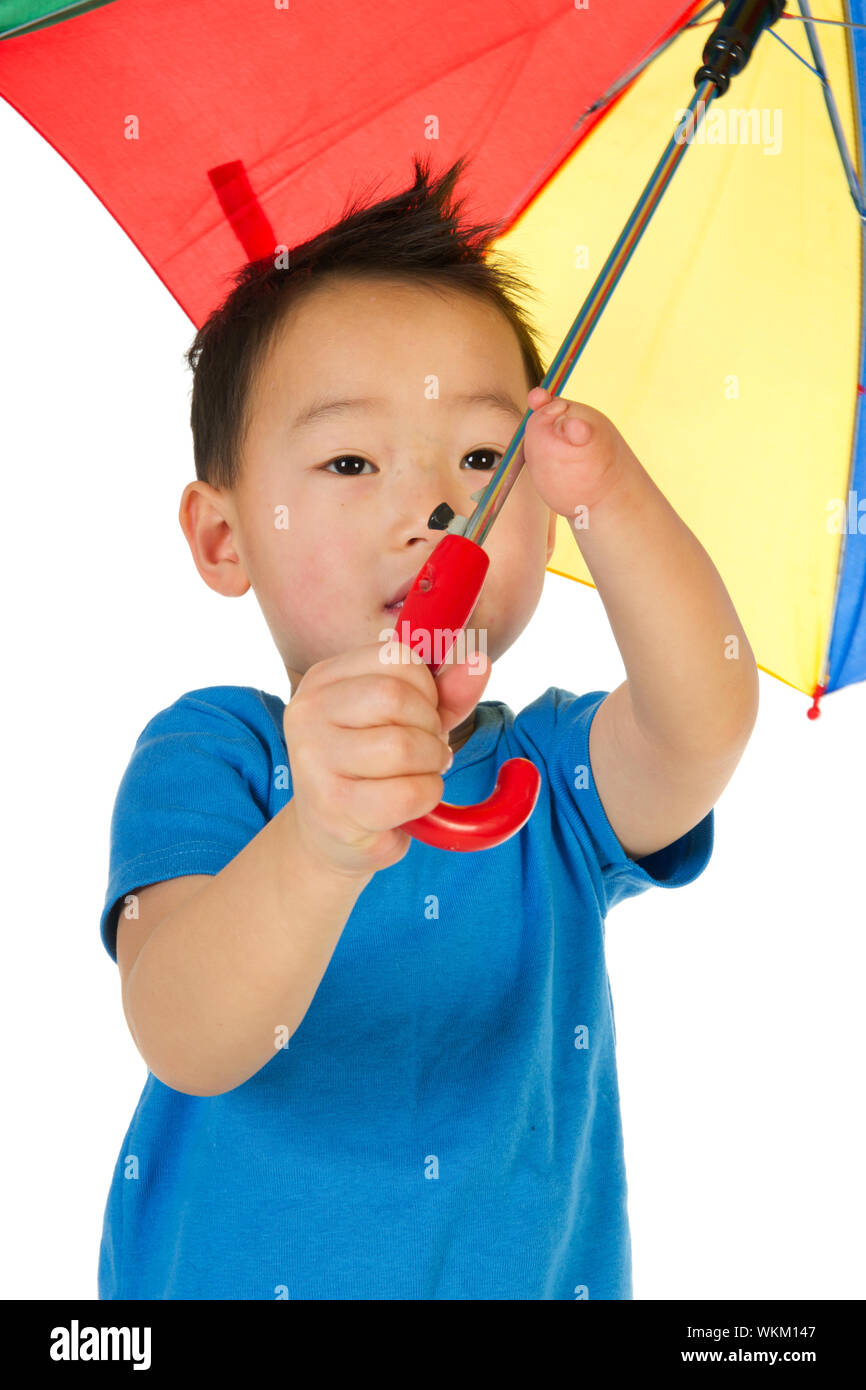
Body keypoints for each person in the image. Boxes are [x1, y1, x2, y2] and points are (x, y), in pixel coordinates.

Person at [96, 153, 758, 1300]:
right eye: (350, 460)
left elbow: (700, 721)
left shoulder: (553, 780)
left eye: (483, 462)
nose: (435, 508)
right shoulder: (216, 754)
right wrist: (316, 840)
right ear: (223, 537)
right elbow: (185, 1032)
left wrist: (610, 488)